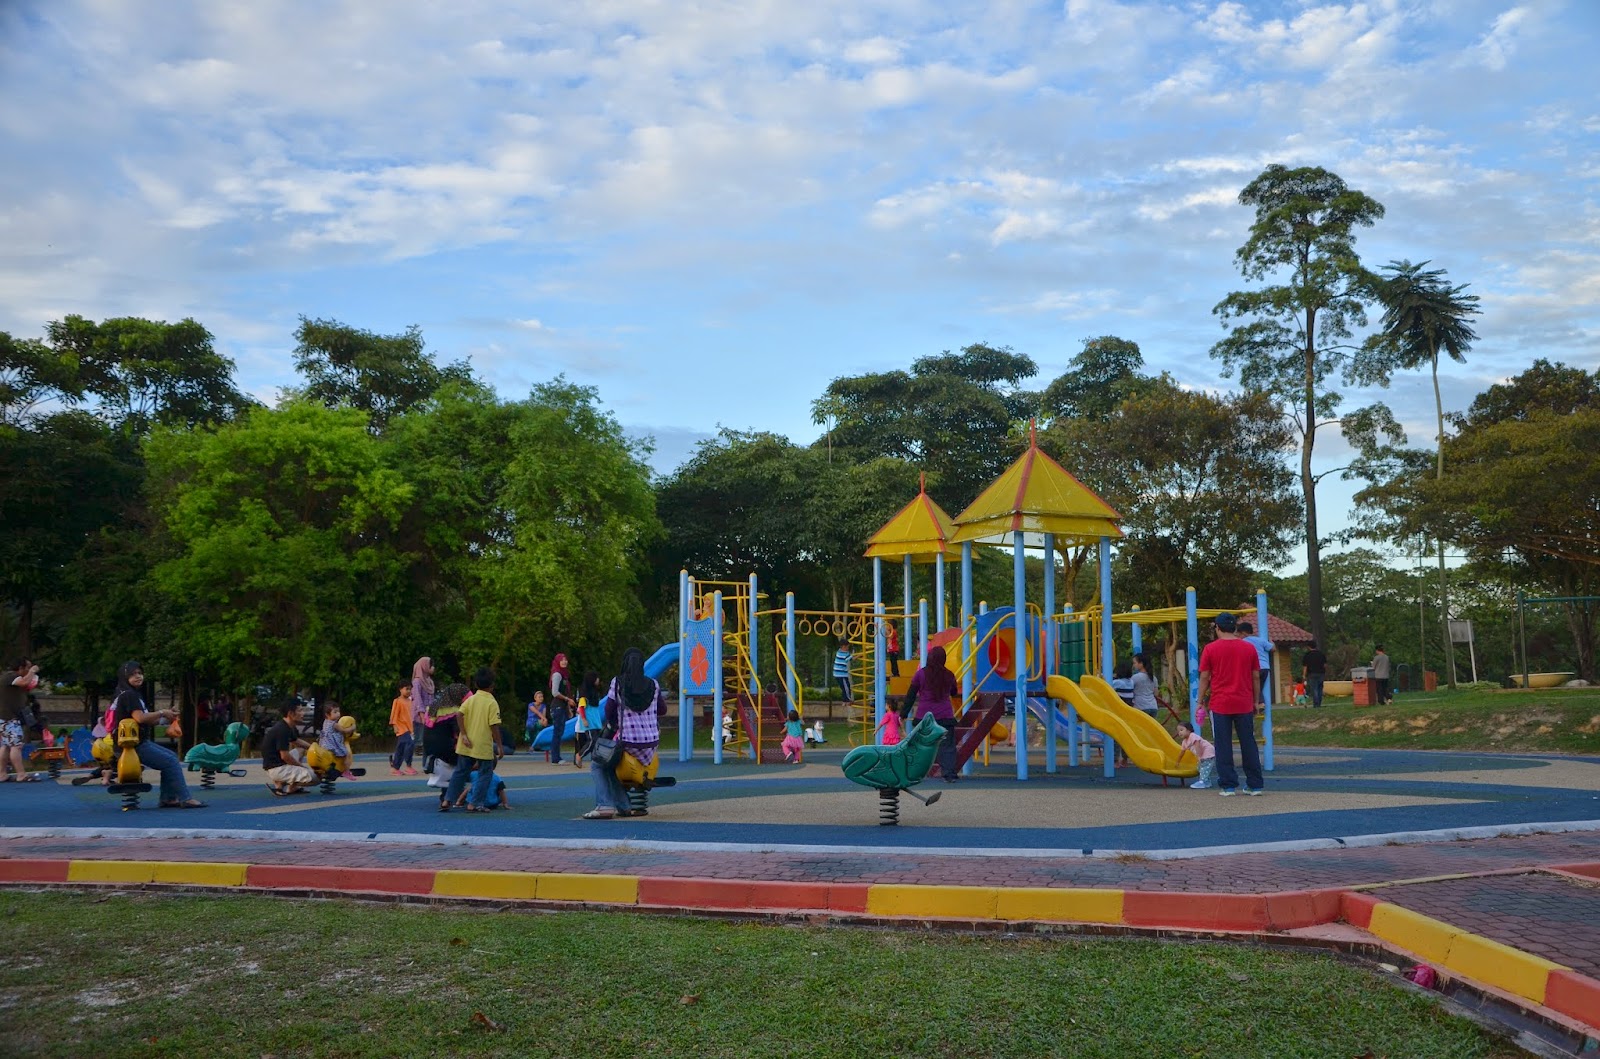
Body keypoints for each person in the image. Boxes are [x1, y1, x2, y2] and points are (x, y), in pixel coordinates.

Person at [584, 647, 667, 819]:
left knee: (598, 764)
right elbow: (663, 710)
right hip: (651, 744)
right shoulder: (654, 684)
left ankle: (605, 805)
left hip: (628, 743)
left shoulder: (618, 682)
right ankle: (624, 806)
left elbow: (608, 710)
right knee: (610, 766)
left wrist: (615, 725)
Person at [1198, 613, 1264, 797]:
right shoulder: (1248, 648)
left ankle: (1228, 786)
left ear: (1217, 628)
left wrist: (1199, 701)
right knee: (1248, 742)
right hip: (1243, 702)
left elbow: (1204, 676)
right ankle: (1255, 785)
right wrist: (1256, 700)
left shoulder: (1210, 649)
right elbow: (1255, 676)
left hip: (1220, 703)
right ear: (1235, 628)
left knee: (1223, 744)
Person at [442, 668, 503, 813]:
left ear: (476, 684)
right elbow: (494, 725)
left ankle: (447, 800)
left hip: (467, 743)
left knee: (460, 772)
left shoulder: (471, 699)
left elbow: (459, 714)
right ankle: (475, 803)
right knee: (485, 773)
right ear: (492, 686)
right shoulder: (491, 702)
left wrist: (463, 734)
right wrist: (499, 745)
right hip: (482, 744)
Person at [905, 645, 960, 782]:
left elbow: (911, 694)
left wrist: (903, 713)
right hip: (945, 715)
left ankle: (915, 772)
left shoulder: (921, 674)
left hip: (924, 716)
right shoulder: (949, 675)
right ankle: (949, 774)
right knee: (947, 745)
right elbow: (954, 692)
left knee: (919, 745)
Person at [423, 683, 468, 798]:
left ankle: (446, 794)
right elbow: (458, 733)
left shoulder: (433, 707)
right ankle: (455, 793)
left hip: (429, 748)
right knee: (465, 761)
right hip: (444, 748)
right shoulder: (454, 710)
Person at [261, 701, 315, 796]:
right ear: (290, 713)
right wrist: (301, 767)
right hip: (277, 768)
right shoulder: (282, 729)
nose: (303, 713)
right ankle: (279, 781)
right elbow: (285, 756)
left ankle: (291, 787)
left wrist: (315, 748)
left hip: (278, 764)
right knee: (315, 777)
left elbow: (296, 741)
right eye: (300, 710)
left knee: (300, 750)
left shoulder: (287, 725)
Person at [2, 659, 40, 782]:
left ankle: (2, 774)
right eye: (27, 668)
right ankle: (21, 774)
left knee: (5, 746)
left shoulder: (9, 678)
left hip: (4, 717)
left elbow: (25, 685)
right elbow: (24, 682)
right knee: (16, 746)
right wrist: (33, 671)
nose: (29, 670)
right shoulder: (11, 676)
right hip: (9, 718)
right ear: (21, 668)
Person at [1238, 620, 1275, 705]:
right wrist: (1271, 641)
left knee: (1251, 686)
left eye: (1239, 634)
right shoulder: (1260, 640)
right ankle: (1259, 703)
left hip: (1254, 667)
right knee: (1259, 686)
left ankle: (1260, 703)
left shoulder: (1243, 642)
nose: (1239, 636)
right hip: (1265, 667)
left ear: (1243, 633)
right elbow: (1273, 649)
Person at [547, 653, 575, 764]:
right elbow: (555, 692)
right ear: (557, 661)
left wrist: (568, 708)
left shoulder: (565, 675)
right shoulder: (557, 674)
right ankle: (555, 758)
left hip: (562, 706)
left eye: (565, 660)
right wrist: (568, 699)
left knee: (560, 731)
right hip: (557, 706)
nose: (564, 662)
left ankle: (556, 755)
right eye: (562, 660)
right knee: (557, 731)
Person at [318, 702, 357, 779]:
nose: (338, 714)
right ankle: (346, 771)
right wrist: (353, 727)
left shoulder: (325, 722)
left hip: (324, 745)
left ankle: (329, 769)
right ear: (327, 714)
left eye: (338, 711)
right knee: (346, 754)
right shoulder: (334, 724)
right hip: (332, 745)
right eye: (335, 712)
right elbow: (345, 731)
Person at [1175, 721, 1217, 790]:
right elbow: (1182, 752)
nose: (1179, 732)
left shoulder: (1192, 735)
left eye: (1181, 730)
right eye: (1178, 731)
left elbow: (1197, 744)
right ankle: (1207, 782)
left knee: (1204, 767)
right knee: (1200, 767)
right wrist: (1178, 761)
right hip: (1203, 755)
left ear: (1189, 730)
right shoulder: (1184, 742)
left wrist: (1199, 756)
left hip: (1207, 752)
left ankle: (1202, 781)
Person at [573, 671, 602, 767]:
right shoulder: (584, 693)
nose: (598, 680)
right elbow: (581, 707)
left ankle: (595, 761)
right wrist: (584, 719)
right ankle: (580, 755)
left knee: (597, 741)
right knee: (592, 740)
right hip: (589, 722)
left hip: (595, 721)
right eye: (596, 678)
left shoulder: (594, 692)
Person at [389, 681, 417, 775]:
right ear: (400, 689)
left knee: (401, 748)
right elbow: (394, 714)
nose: (409, 691)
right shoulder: (397, 701)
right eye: (406, 689)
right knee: (410, 744)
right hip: (401, 727)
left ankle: (396, 767)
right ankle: (408, 766)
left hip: (409, 728)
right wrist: (394, 725)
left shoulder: (410, 701)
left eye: (410, 689)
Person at [1130, 653, 1161, 721]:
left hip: (1140, 706)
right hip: (1153, 707)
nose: (1133, 665)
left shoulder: (1135, 677)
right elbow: (1156, 693)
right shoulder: (1153, 678)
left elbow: (1129, 690)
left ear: (1141, 663)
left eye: (1134, 663)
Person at [411, 656, 435, 740]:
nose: (432, 668)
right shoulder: (417, 682)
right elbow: (417, 699)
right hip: (419, 717)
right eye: (430, 665)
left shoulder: (430, 681)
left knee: (427, 739)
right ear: (424, 666)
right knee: (419, 740)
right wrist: (422, 714)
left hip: (429, 715)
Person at [1301, 640, 1327, 708]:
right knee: (1320, 688)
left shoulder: (1307, 655)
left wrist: (1304, 675)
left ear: (1309, 647)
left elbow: (1305, 666)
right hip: (1321, 673)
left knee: (1314, 689)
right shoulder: (1321, 654)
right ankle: (1319, 703)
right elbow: (1325, 665)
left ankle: (1316, 704)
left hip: (1312, 674)